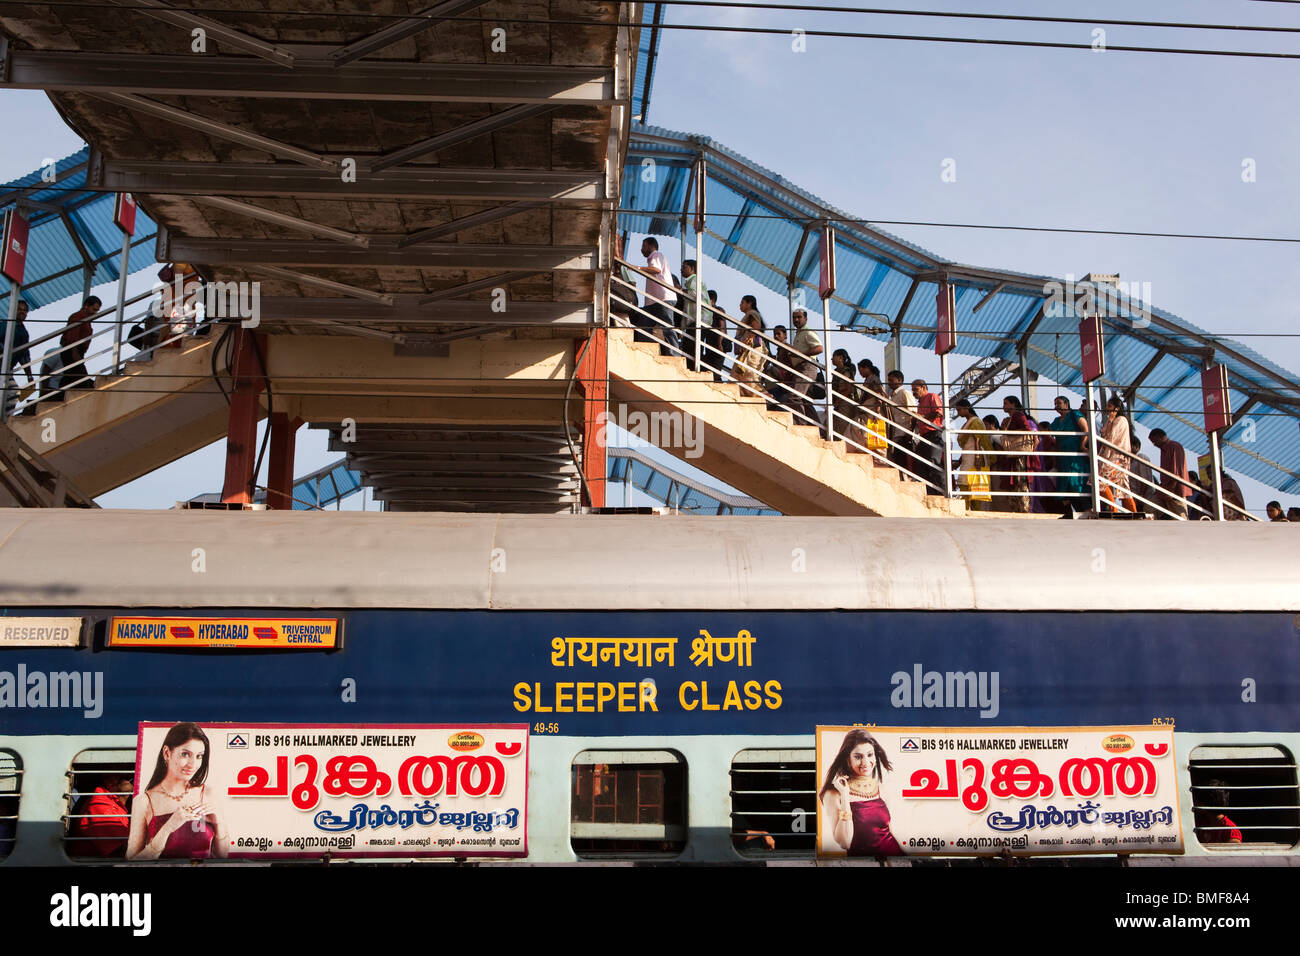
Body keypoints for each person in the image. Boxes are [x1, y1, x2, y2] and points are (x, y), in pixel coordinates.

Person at [127, 722, 227, 860]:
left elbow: (222, 856)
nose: (193, 765)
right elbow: (132, 861)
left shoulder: (208, 793)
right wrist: (168, 828)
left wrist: (219, 824)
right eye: (185, 754)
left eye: (199, 756)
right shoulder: (144, 801)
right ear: (167, 753)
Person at [819, 729, 903, 857]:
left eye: (870, 755)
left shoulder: (882, 789)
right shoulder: (834, 793)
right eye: (858, 757)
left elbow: (890, 831)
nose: (865, 762)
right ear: (848, 759)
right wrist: (845, 795)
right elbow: (845, 843)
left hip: (895, 858)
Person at [70, 771, 134, 857]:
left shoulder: (119, 805)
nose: (124, 775)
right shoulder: (99, 804)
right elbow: (123, 851)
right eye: (113, 772)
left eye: (127, 771)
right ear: (106, 782)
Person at [639, 237, 680, 355]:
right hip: (654, 300)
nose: (642, 249)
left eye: (644, 246)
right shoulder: (655, 257)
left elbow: (655, 269)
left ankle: (675, 355)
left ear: (651, 246)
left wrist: (638, 268)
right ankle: (647, 351)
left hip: (663, 298)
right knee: (644, 325)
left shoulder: (656, 255)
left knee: (667, 328)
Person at [54, 295, 101, 400]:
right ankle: (57, 398)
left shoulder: (86, 319)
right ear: (86, 306)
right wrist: (75, 354)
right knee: (81, 379)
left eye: (97, 310)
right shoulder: (78, 317)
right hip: (72, 351)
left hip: (76, 351)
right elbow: (72, 337)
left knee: (70, 378)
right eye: (94, 309)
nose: (95, 313)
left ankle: (57, 397)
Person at [1048, 395, 1089, 512]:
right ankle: (1077, 511)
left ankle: (1087, 510)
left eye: (1059, 403)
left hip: (1076, 456)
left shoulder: (1074, 415)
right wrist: (1055, 460)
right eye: (1055, 404)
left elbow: (1085, 429)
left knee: (1076, 482)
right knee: (1066, 485)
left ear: (1067, 403)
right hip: (1063, 457)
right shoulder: (1056, 422)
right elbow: (1054, 440)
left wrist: (1082, 445)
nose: (1056, 406)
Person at [953, 399, 993, 510]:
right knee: (964, 484)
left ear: (967, 408)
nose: (958, 413)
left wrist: (977, 457)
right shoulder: (967, 422)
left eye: (959, 410)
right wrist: (959, 461)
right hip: (967, 456)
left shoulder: (975, 421)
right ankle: (965, 509)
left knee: (974, 486)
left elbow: (977, 440)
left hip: (974, 457)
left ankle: (974, 511)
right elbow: (967, 445)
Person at [1097, 397, 1135, 513]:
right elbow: (1105, 434)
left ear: (1116, 408)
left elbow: (1111, 437)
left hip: (1117, 457)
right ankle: (1129, 510)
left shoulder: (1121, 420)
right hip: (1111, 456)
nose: (1107, 409)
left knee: (1100, 482)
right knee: (1121, 485)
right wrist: (1110, 421)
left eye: (1109, 406)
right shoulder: (1113, 421)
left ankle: (1115, 510)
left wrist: (1111, 420)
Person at [1000, 396, 1036, 513]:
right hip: (1013, 456)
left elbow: (1027, 430)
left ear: (1013, 404)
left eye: (1006, 403)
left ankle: (1023, 509)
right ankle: (1019, 509)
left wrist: (1009, 433)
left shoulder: (1018, 415)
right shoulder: (1010, 418)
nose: (1003, 406)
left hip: (1019, 456)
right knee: (1015, 482)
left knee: (1020, 481)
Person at [1147, 428, 1193, 519]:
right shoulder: (1164, 449)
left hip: (1175, 490)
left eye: (1154, 441)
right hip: (1166, 489)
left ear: (1159, 436)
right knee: (1149, 507)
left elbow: (1177, 471)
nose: (1154, 444)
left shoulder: (1174, 446)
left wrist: (1171, 490)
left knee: (1180, 517)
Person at [789, 308, 823, 425]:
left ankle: (801, 425)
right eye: (794, 318)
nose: (796, 320)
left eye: (799, 317)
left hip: (807, 367)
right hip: (800, 368)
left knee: (794, 397)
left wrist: (801, 355)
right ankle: (818, 429)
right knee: (805, 400)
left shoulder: (808, 332)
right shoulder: (799, 333)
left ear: (806, 319)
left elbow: (819, 348)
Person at [911, 379, 945, 489]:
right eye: (912, 390)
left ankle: (943, 491)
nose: (914, 392)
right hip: (924, 436)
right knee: (921, 465)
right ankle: (929, 491)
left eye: (916, 389)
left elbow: (938, 412)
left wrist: (923, 417)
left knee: (933, 462)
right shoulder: (920, 404)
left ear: (924, 388)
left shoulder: (932, 396)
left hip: (934, 434)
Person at [829, 349, 867, 445]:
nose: (831, 359)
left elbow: (848, 389)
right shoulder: (839, 371)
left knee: (840, 429)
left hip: (844, 404)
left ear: (840, 358)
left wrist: (838, 401)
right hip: (840, 403)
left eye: (834, 356)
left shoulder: (845, 372)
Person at [885, 370, 917, 474]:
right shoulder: (892, 396)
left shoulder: (904, 393)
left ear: (899, 380)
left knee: (906, 462)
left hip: (905, 433)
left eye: (891, 380)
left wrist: (910, 432)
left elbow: (913, 413)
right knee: (898, 460)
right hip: (896, 434)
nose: (889, 382)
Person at [1193, 779, 1242, 845]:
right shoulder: (1201, 821)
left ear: (1204, 804)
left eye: (1197, 800)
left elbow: (1232, 853)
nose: (1194, 803)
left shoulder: (1230, 830)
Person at [680, 259, 708, 371]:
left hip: (699, 318)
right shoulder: (692, 281)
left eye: (684, 267)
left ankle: (693, 368)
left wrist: (681, 291)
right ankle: (692, 367)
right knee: (692, 345)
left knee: (692, 346)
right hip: (698, 319)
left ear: (692, 269)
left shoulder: (694, 280)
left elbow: (694, 294)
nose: (682, 269)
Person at [729, 312, 767, 394]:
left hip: (752, 352)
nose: (740, 305)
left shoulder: (752, 314)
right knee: (740, 378)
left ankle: (767, 397)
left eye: (742, 303)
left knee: (750, 379)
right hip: (745, 354)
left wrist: (749, 341)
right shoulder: (748, 319)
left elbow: (756, 328)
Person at [700, 289, 730, 381]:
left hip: (718, 344)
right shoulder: (708, 312)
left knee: (716, 370)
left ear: (711, 300)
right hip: (711, 344)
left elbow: (722, 328)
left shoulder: (718, 310)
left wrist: (720, 343)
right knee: (708, 368)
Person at [1128, 435, 1157, 515]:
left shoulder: (1141, 458)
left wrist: (1140, 497)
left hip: (1144, 498)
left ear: (1136, 446)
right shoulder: (1131, 461)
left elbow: (1145, 480)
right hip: (1137, 499)